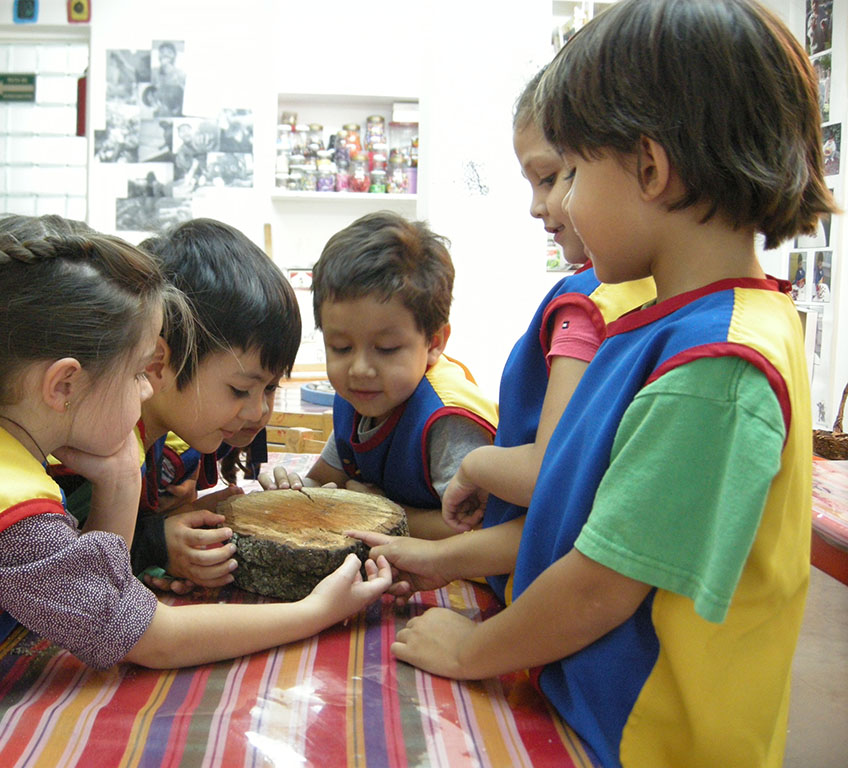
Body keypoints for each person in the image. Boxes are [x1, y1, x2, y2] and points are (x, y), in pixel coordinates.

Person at [353, 1, 838, 765]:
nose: (561, 203)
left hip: (646, 741)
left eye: (573, 171)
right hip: (590, 706)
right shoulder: (666, 325)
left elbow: (601, 585)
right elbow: (583, 520)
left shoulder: (714, 365)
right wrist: (438, 558)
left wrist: (472, 650)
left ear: (649, 168)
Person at [0, 214, 390, 713]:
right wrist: (314, 613)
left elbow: (107, 593)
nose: (148, 391)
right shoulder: (13, 519)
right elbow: (151, 637)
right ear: (65, 384)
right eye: (141, 372)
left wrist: (120, 475)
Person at [439, 67, 656, 602]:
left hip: (544, 592)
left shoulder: (587, 302)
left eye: (555, 177)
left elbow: (548, 473)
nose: (538, 205)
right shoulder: (648, 294)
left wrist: (474, 465)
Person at [260, 211, 499, 540]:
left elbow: (482, 532)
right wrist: (291, 490)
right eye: (341, 347)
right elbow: (327, 481)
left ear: (434, 342)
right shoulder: (357, 401)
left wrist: (383, 512)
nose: (359, 369)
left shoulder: (447, 422)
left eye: (386, 349)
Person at [132, 218, 303, 592]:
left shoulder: (171, 440)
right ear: (158, 362)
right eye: (240, 390)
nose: (259, 411)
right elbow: (58, 563)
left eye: (271, 388)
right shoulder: (92, 444)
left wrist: (178, 523)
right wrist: (153, 543)